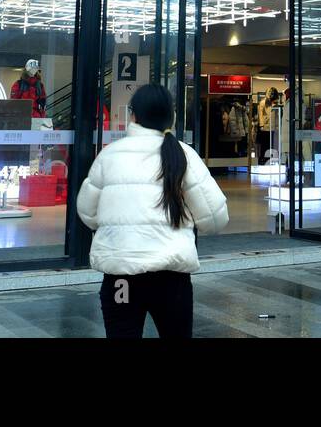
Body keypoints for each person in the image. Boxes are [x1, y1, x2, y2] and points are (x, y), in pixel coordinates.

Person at [77, 83, 228, 339]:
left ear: (133, 116)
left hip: (120, 278)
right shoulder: (184, 155)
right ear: (171, 116)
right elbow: (215, 219)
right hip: (171, 279)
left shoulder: (109, 155)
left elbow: (87, 213)